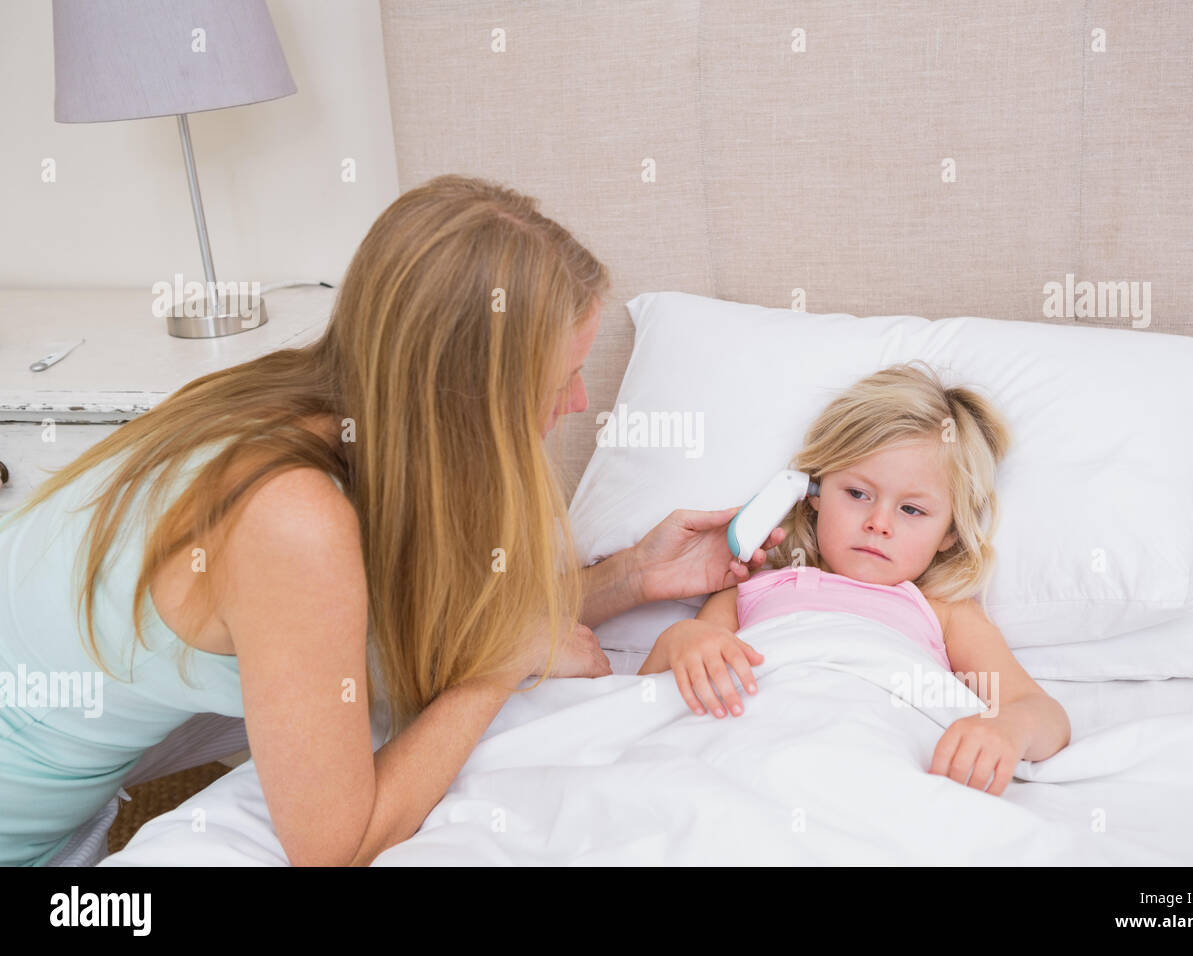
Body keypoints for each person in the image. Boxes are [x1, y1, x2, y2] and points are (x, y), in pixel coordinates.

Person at [0, 174, 779, 867]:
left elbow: (414, 626)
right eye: (561, 378)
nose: (576, 403)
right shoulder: (291, 516)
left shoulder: (307, 399)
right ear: (467, 392)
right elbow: (337, 846)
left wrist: (632, 577)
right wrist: (497, 670)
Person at [637, 361, 1071, 797]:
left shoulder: (943, 611)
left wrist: (1007, 730)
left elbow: (1040, 712)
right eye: (858, 494)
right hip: (739, 755)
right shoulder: (748, 592)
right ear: (814, 494)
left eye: (912, 510)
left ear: (950, 533)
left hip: (868, 761)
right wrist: (680, 640)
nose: (878, 523)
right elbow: (642, 696)